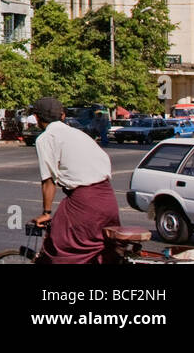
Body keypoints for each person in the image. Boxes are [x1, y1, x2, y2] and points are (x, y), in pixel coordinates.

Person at [31, 96, 120, 264]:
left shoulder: (46, 138)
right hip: (108, 201)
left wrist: (46, 213)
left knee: (58, 246)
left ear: (36, 118)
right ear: (63, 116)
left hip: (84, 203)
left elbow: (48, 180)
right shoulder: (79, 134)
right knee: (102, 253)